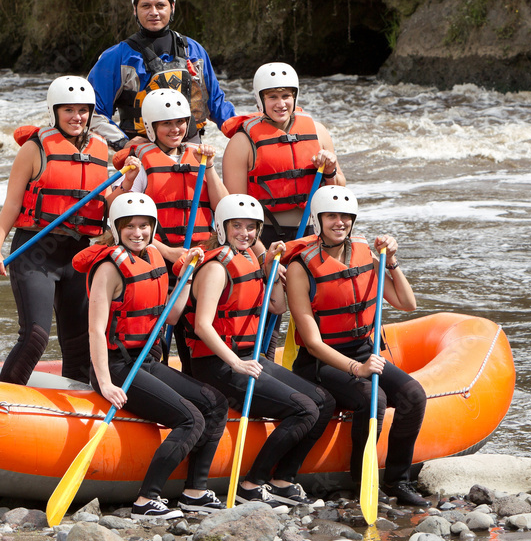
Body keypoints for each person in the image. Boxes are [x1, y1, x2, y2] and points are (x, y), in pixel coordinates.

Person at [74, 193, 228, 519]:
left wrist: (186, 275)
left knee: (215, 402)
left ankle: (194, 492)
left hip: (145, 360)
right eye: (129, 226)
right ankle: (146, 501)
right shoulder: (109, 269)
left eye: (144, 225)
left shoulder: (154, 255)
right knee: (190, 419)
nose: (138, 232)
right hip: (117, 366)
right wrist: (104, 382)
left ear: (153, 227)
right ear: (116, 229)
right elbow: (96, 331)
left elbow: (171, 317)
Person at [0, 76, 141, 386]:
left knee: (79, 343)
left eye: (83, 110)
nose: (77, 117)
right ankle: (4, 400)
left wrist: (125, 183)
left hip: (79, 256)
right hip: (35, 252)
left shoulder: (99, 148)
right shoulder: (34, 149)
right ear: (54, 112)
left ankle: (74, 410)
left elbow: (103, 203)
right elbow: (12, 204)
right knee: (36, 336)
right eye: (68, 110)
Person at [184, 194, 335, 509]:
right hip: (218, 365)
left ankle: (283, 481)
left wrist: (272, 267)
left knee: (325, 401)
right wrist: (236, 363)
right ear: (222, 227)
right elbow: (202, 326)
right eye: (237, 226)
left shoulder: (252, 258)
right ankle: (252, 483)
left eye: (251, 227)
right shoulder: (215, 267)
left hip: (248, 359)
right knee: (304, 409)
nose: (245, 233)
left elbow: (277, 306)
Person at [284, 186, 429, 507]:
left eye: (346, 217)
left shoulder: (368, 254)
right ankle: (362, 478)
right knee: (372, 398)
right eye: (332, 216)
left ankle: (398, 480)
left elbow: (407, 303)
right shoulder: (300, 268)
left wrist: (391, 262)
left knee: (414, 396)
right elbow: (311, 341)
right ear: (318, 220)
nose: (340, 223)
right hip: (321, 363)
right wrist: (357, 369)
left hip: (364, 351)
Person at [221, 62, 346, 358]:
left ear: (296, 96)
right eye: (273, 97)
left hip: (311, 234)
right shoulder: (242, 142)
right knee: (270, 307)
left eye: (287, 95)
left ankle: (318, 364)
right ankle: (261, 360)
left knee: (320, 300)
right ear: (260, 100)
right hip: (265, 236)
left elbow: (339, 191)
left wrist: (329, 170)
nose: (281, 103)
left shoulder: (317, 132)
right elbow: (235, 211)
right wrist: (260, 254)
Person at [111, 88, 230, 373]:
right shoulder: (141, 162)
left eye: (180, 122)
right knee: (161, 327)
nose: (175, 129)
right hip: (160, 258)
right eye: (166, 124)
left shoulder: (199, 155)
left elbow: (224, 207)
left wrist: (210, 167)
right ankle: (156, 381)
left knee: (194, 328)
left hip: (200, 257)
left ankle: (200, 384)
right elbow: (124, 218)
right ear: (151, 128)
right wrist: (167, 251)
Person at [87, 0, 235, 150]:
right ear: (135, 10)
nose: (154, 12)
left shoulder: (194, 51)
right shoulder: (116, 57)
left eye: (160, 5)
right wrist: (123, 142)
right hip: (142, 153)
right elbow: (91, 112)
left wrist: (242, 131)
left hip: (189, 148)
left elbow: (216, 104)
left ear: (172, 7)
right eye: (146, 6)